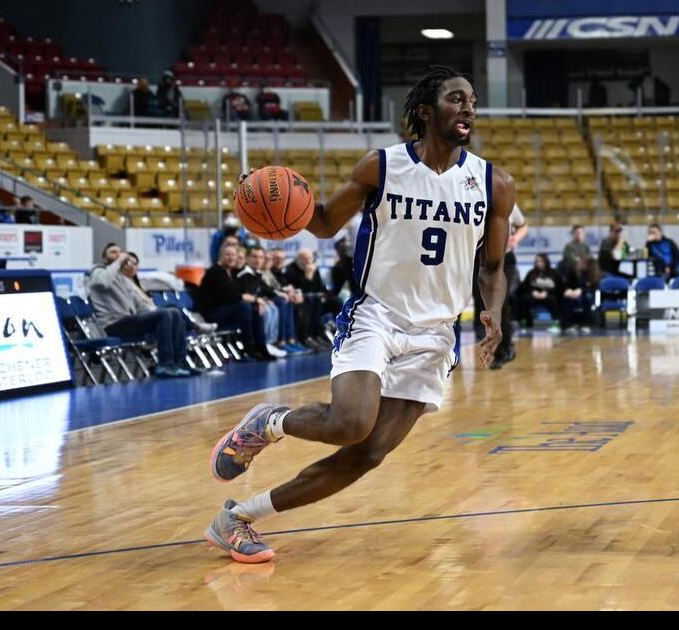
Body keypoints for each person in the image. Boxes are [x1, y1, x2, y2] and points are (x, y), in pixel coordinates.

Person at [204, 65, 514, 563]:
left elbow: (493, 266)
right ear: (425, 112)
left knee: (369, 453)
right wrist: (265, 191)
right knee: (350, 422)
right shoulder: (382, 167)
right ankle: (270, 422)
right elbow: (325, 223)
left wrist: (493, 311)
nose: (469, 108)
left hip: (437, 333)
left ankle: (237, 519)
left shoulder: (494, 184)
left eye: (472, 101)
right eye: (457, 99)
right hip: (377, 315)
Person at [88, 251, 195, 378]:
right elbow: (103, 282)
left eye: (119, 252)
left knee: (173, 312)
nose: (118, 254)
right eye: (113, 252)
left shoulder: (122, 279)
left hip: (129, 321)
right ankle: (165, 364)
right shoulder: (97, 272)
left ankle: (180, 363)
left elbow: (139, 305)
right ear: (104, 258)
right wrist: (118, 262)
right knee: (165, 314)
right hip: (112, 325)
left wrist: (155, 310)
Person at [195, 244, 272, 362]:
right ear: (220, 256)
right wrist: (255, 299)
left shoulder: (230, 272)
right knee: (244, 307)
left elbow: (238, 294)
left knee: (253, 307)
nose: (231, 258)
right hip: (211, 314)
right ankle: (248, 349)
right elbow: (232, 297)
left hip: (225, 311)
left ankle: (261, 347)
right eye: (227, 255)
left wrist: (256, 301)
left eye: (233, 255)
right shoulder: (215, 271)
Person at [472, 202, 525, 370]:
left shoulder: (507, 201)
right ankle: (496, 344)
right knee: (482, 302)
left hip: (505, 259)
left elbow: (523, 225)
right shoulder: (473, 199)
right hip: (481, 258)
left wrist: (516, 238)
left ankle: (505, 349)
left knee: (501, 303)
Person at [235, 246, 287, 358]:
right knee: (266, 310)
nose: (257, 260)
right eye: (254, 257)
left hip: (255, 303)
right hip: (244, 307)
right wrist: (259, 301)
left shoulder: (257, 273)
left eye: (260, 257)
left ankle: (270, 342)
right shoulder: (243, 273)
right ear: (247, 258)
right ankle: (265, 343)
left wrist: (279, 294)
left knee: (273, 307)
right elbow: (245, 293)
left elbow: (265, 289)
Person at [515, 253, 562, 328]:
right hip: (534, 295)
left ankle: (555, 323)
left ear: (546, 262)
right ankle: (526, 323)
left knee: (553, 300)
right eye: (537, 261)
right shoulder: (531, 273)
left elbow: (558, 287)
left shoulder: (553, 273)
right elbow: (525, 286)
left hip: (547, 295)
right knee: (524, 299)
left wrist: (546, 293)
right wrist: (533, 292)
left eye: (541, 261)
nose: (539, 263)